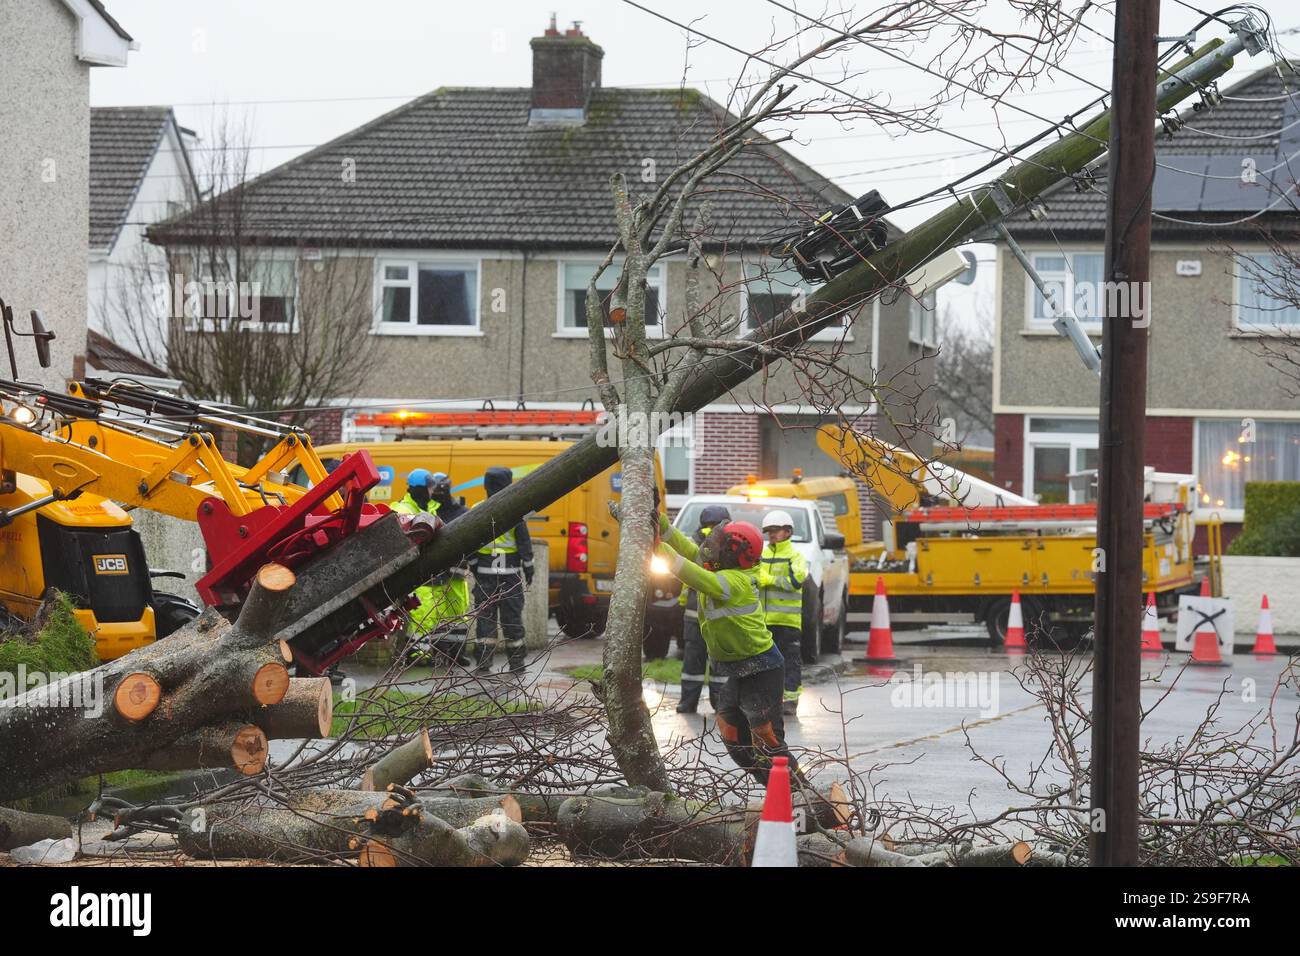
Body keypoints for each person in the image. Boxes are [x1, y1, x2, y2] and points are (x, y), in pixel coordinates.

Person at [656, 514, 804, 785]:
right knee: (731, 730)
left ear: (735, 552)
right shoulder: (720, 569)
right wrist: (662, 528)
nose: (711, 548)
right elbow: (691, 552)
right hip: (741, 667)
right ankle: (774, 789)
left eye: (719, 544)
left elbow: (687, 569)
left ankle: (800, 794)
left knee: (765, 737)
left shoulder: (732, 581)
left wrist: (654, 546)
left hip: (762, 667)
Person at [391, 470, 471, 663]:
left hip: (430, 569)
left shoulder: (429, 508)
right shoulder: (403, 508)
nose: (432, 490)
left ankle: (430, 654)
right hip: (416, 570)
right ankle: (416, 654)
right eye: (429, 487)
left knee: (431, 615)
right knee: (421, 616)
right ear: (421, 488)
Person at [470, 466, 534, 675]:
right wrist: (529, 569)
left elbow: (469, 544)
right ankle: (517, 664)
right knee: (512, 621)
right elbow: (524, 544)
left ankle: (483, 663)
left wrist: (473, 566)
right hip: (510, 577)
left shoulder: (477, 509)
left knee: (485, 620)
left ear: (486, 486)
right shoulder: (515, 511)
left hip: (485, 575)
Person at [676, 505, 731, 714]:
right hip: (705, 614)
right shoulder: (715, 547)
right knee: (705, 660)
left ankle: (704, 703)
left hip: (706, 614)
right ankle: (704, 703)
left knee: (707, 661)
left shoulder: (720, 548)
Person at [757, 509, 808, 716]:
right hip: (764, 621)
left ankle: (790, 701)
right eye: (769, 531)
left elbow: (796, 581)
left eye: (775, 531)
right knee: (766, 665)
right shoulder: (762, 554)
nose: (771, 535)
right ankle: (769, 701)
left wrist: (770, 580)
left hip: (788, 622)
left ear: (788, 532)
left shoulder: (795, 556)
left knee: (790, 663)